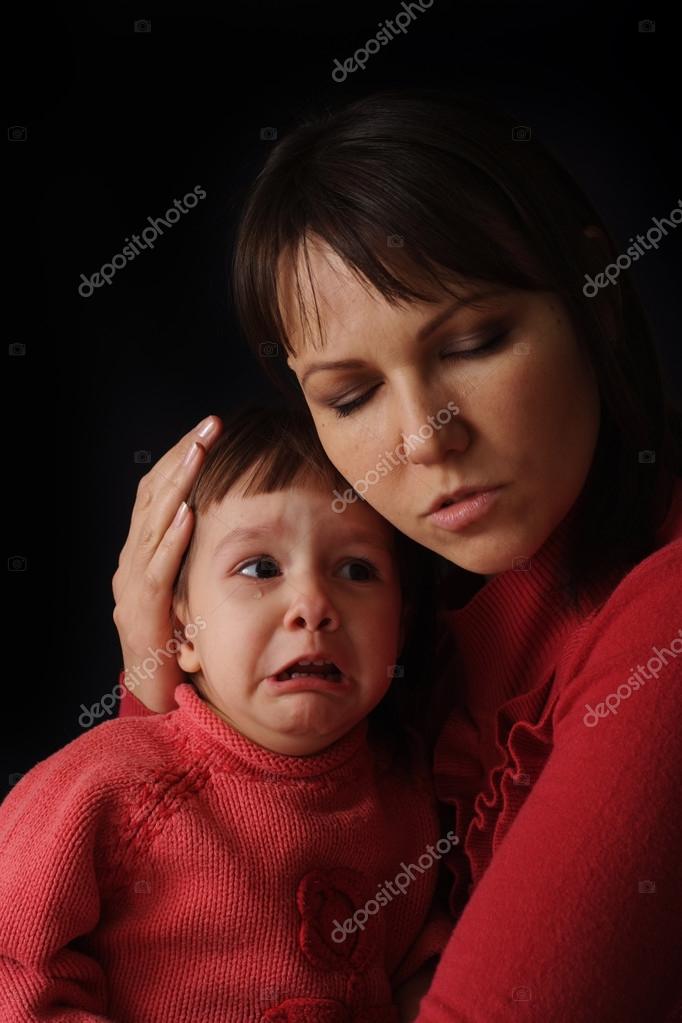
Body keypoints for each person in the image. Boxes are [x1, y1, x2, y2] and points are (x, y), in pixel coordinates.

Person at [113, 90, 682, 1020]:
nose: (424, 437)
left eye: (475, 341)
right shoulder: (388, 628)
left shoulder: (663, 623)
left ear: (599, 293)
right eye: (349, 396)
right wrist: (156, 677)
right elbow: (175, 947)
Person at [0, 404, 455, 1023]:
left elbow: (418, 962)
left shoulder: (407, 797)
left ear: (399, 631)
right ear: (182, 630)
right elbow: (15, 964)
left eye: (356, 570)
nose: (313, 605)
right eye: (260, 568)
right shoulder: (109, 787)